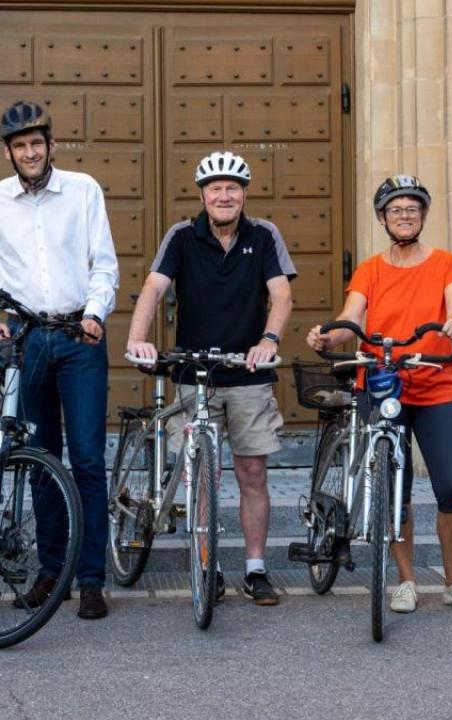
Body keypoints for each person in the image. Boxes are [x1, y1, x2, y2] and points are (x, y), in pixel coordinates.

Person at [0, 100, 119, 619]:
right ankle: (52, 573)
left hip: (79, 337)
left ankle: (92, 578)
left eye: (37, 143)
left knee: (89, 462)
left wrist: (96, 312)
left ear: (51, 145)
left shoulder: (83, 190)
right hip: (26, 343)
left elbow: (104, 263)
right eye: (19, 146)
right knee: (41, 462)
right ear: (8, 152)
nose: (29, 152)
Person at [307, 175, 452, 615]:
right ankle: (405, 581)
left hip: (435, 381)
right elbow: (352, 314)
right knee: (393, 487)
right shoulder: (370, 268)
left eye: (412, 209)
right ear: (383, 218)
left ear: (423, 215)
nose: (404, 216)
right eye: (395, 210)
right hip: (382, 383)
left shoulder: (446, 261)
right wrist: (330, 336)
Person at [127, 151, 295, 605]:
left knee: (252, 471)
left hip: (248, 373)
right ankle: (208, 562)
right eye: (216, 188)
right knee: (200, 474)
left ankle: (256, 568)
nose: (225, 195)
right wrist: (138, 339)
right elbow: (154, 287)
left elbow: (281, 294)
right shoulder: (181, 236)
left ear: (244, 194)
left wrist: (270, 340)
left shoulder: (264, 236)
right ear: (202, 194)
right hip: (193, 374)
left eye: (233, 188)